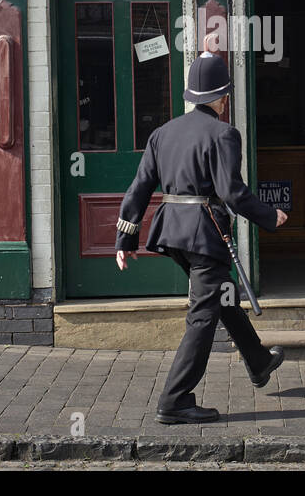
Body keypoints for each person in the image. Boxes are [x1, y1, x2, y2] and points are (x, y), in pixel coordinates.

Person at [115, 49, 288, 425]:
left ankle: (258, 361)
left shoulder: (163, 133)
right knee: (202, 317)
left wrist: (124, 238)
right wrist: (269, 216)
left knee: (221, 295)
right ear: (222, 98)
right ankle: (175, 400)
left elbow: (140, 186)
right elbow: (232, 192)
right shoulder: (225, 133)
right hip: (205, 236)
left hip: (173, 233)